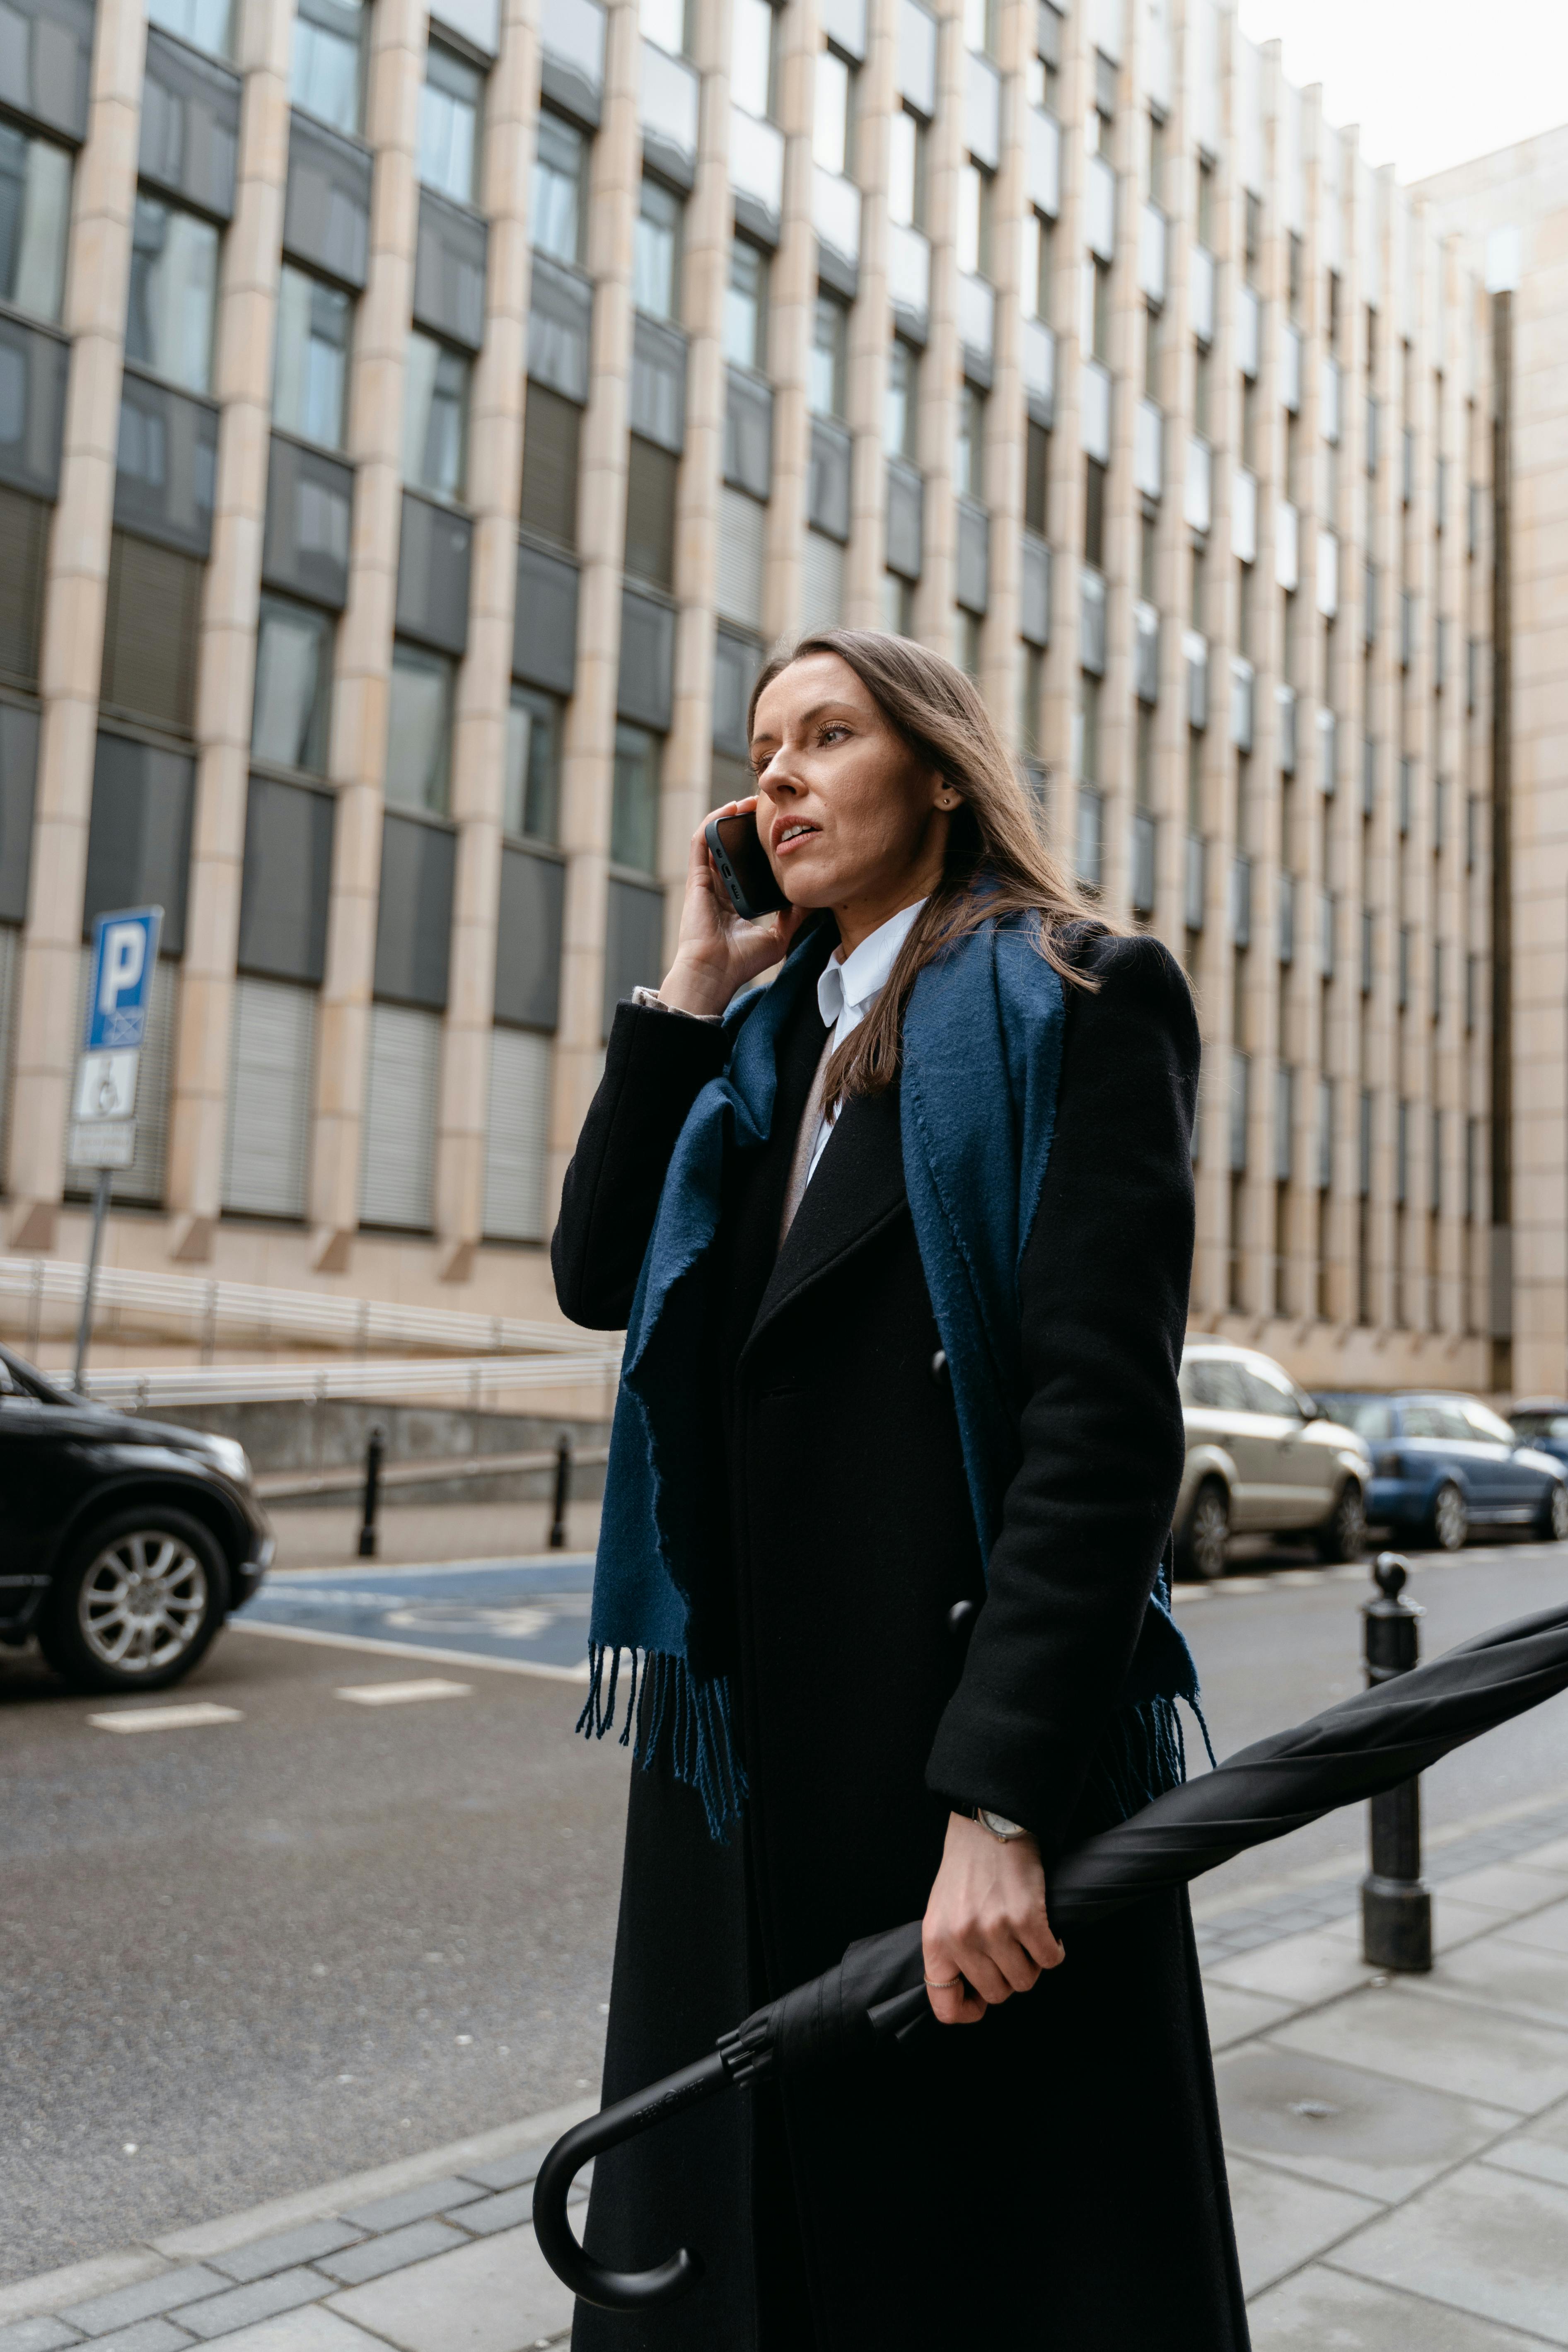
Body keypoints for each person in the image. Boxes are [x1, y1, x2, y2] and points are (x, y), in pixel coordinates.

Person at [552, 630, 1248, 2350]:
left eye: (827, 735)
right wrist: (691, 987)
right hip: (740, 1757)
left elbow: (1098, 1431)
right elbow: (593, 1274)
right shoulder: (753, 1047)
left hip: (951, 1764)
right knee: (752, 2265)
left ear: (938, 770)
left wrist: (998, 1801)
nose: (778, 775)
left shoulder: (1075, 997)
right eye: (760, 752)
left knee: (959, 2272)